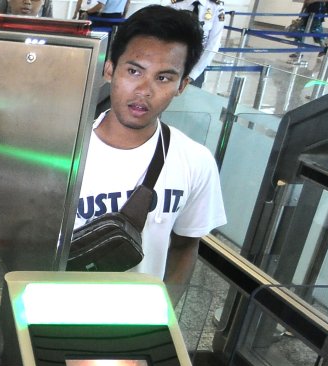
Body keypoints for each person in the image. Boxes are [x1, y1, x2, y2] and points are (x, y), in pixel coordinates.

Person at [75, 5, 225, 297]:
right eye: (134, 71)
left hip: (141, 319)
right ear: (110, 69)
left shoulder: (195, 161)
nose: (144, 90)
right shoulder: (65, 152)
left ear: (182, 85)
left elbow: (185, 245)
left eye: (163, 78)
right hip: (58, 313)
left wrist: (165, 312)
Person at [168, 0, 223, 87]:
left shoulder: (216, 8)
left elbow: (213, 44)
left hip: (197, 67)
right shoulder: (176, 5)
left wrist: (193, 74)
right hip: (173, 64)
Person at [288, 0, 328, 65]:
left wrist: (312, 1)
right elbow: (306, 1)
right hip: (309, 11)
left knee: (315, 30)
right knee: (301, 31)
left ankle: (325, 48)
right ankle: (298, 52)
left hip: (317, 11)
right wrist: (302, 10)